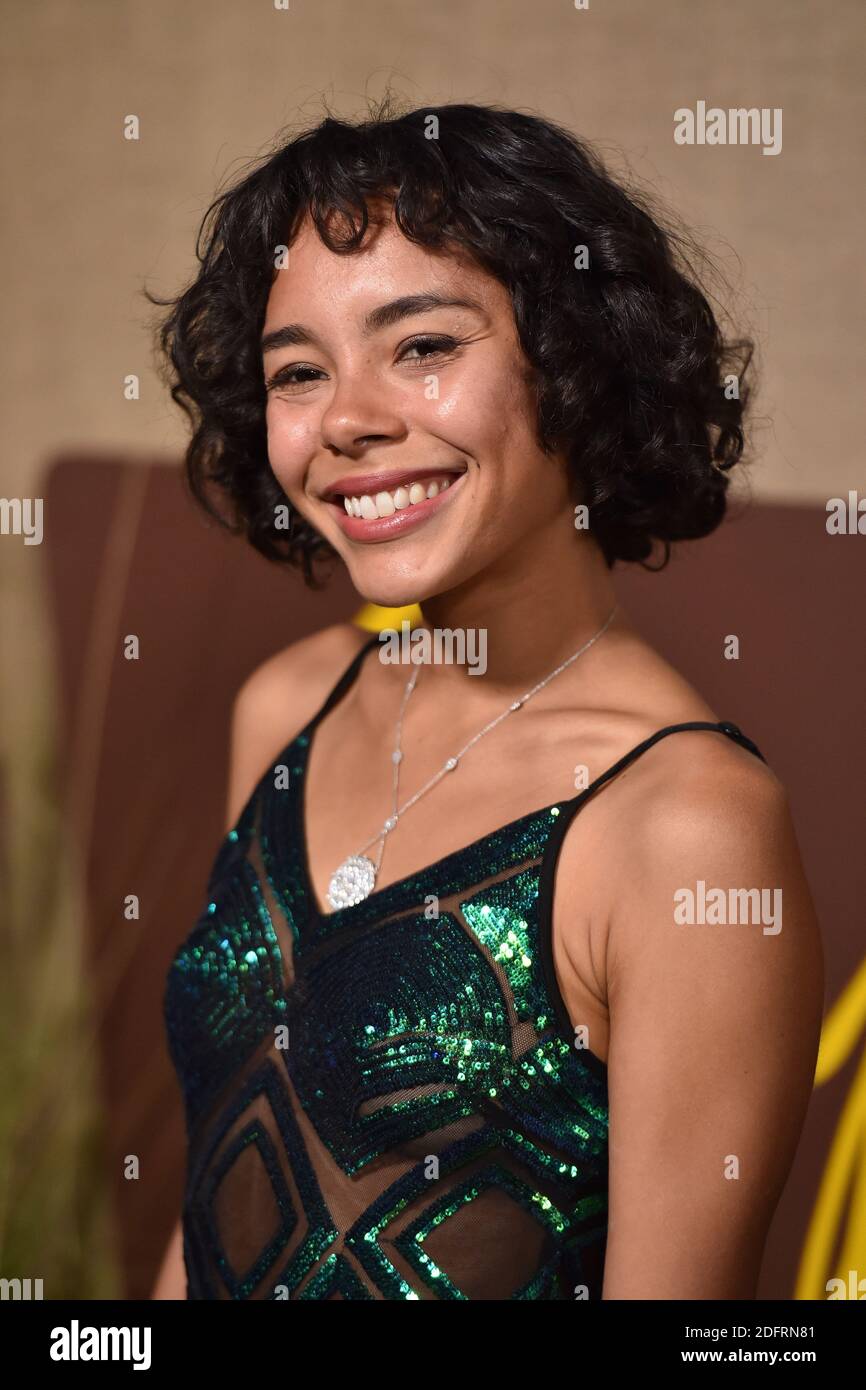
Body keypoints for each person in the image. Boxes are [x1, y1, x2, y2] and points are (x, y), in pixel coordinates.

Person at [150, 98, 823, 1300]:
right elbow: (212, 1205)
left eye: (421, 346)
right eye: (299, 371)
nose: (349, 419)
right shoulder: (284, 708)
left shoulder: (685, 828)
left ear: (572, 364)